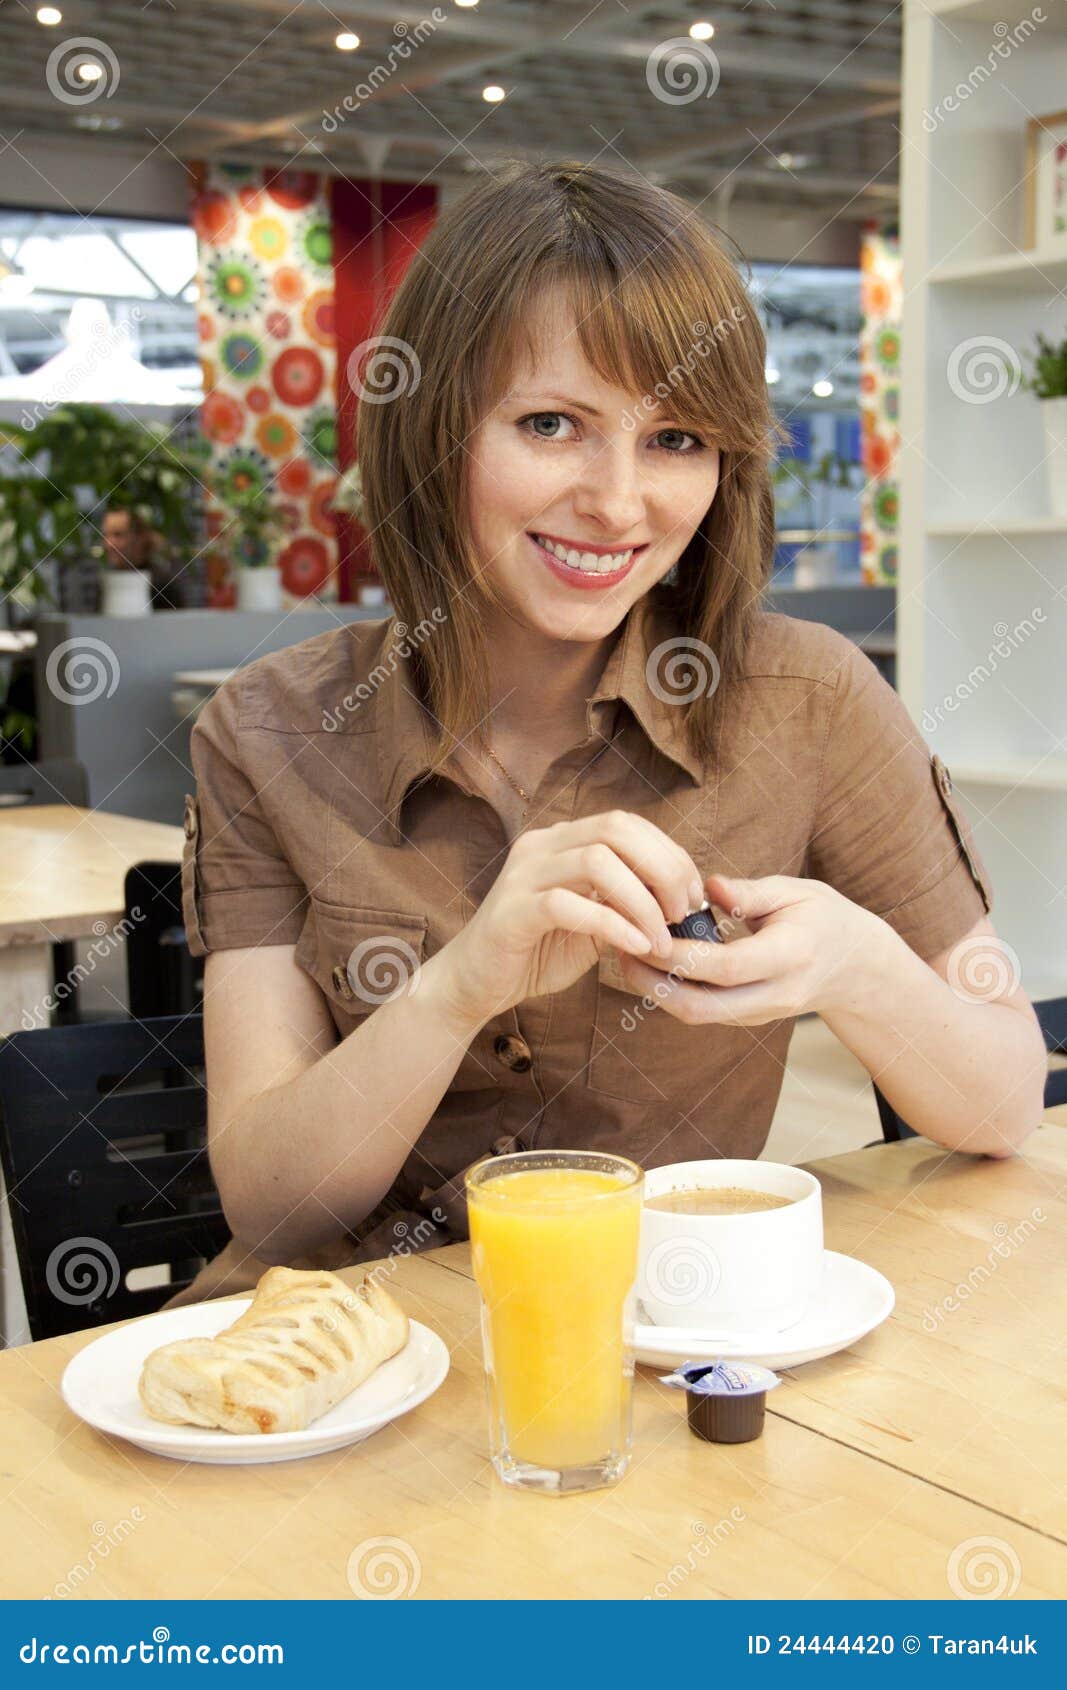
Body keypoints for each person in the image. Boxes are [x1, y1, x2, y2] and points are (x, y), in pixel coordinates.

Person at [166, 161, 1045, 1309]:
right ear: (436, 430)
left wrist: (855, 965)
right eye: (550, 425)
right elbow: (275, 1208)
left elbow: (1001, 1101)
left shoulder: (805, 698)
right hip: (329, 1364)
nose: (619, 501)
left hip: (646, 1347)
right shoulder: (271, 729)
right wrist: (456, 986)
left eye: (675, 439)